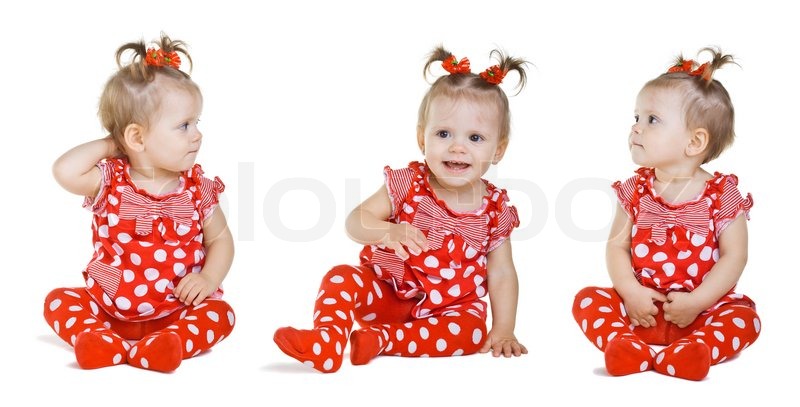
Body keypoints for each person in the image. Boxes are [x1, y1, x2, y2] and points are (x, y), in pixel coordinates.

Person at [273, 45, 529, 373]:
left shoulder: (494, 209)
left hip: (449, 312)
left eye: (475, 138)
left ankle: (381, 340)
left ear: (499, 150)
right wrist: (387, 231)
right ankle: (328, 340)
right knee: (341, 276)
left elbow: (503, 273)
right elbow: (355, 221)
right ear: (422, 139)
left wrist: (504, 328)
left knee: (472, 332)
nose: (457, 147)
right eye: (443, 133)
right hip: (388, 296)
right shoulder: (408, 183)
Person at [43, 33, 235, 373]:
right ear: (136, 136)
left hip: (176, 309)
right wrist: (113, 144)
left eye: (197, 123)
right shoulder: (110, 181)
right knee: (58, 301)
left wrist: (208, 278)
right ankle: (102, 341)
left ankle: (165, 345)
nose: (197, 135)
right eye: (184, 126)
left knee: (222, 314)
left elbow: (220, 240)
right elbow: (64, 171)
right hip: (107, 306)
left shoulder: (197, 189)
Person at [571, 47, 760, 381]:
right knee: (587, 300)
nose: (636, 129)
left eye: (652, 120)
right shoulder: (635, 190)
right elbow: (617, 247)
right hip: (641, 310)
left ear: (694, 142)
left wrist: (697, 302)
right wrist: (630, 292)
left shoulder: (723, 195)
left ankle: (694, 350)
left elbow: (735, 257)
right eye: (636, 118)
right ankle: (627, 346)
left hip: (701, 312)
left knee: (746, 320)